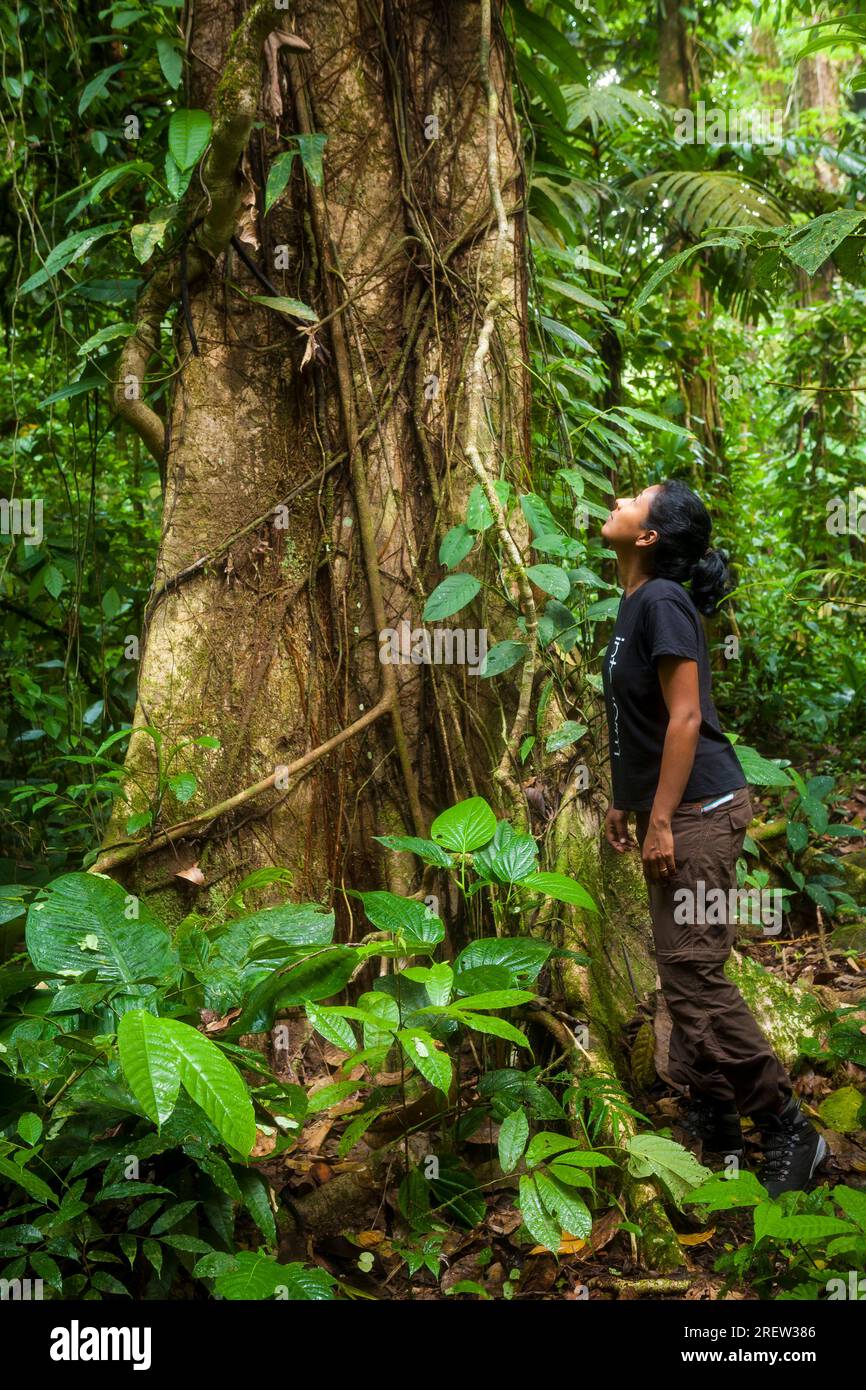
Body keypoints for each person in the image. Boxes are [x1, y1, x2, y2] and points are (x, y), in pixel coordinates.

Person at [600, 478, 826, 1196]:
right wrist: (627, 804)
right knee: (679, 970)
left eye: (635, 498)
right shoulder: (635, 603)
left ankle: (788, 1123)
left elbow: (686, 717)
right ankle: (718, 1121)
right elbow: (638, 722)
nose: (619, 500)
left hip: (699, 813)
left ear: (649, 537)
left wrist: (661, 818)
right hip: (673, 811)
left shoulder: (662, 602)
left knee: (694, 973)